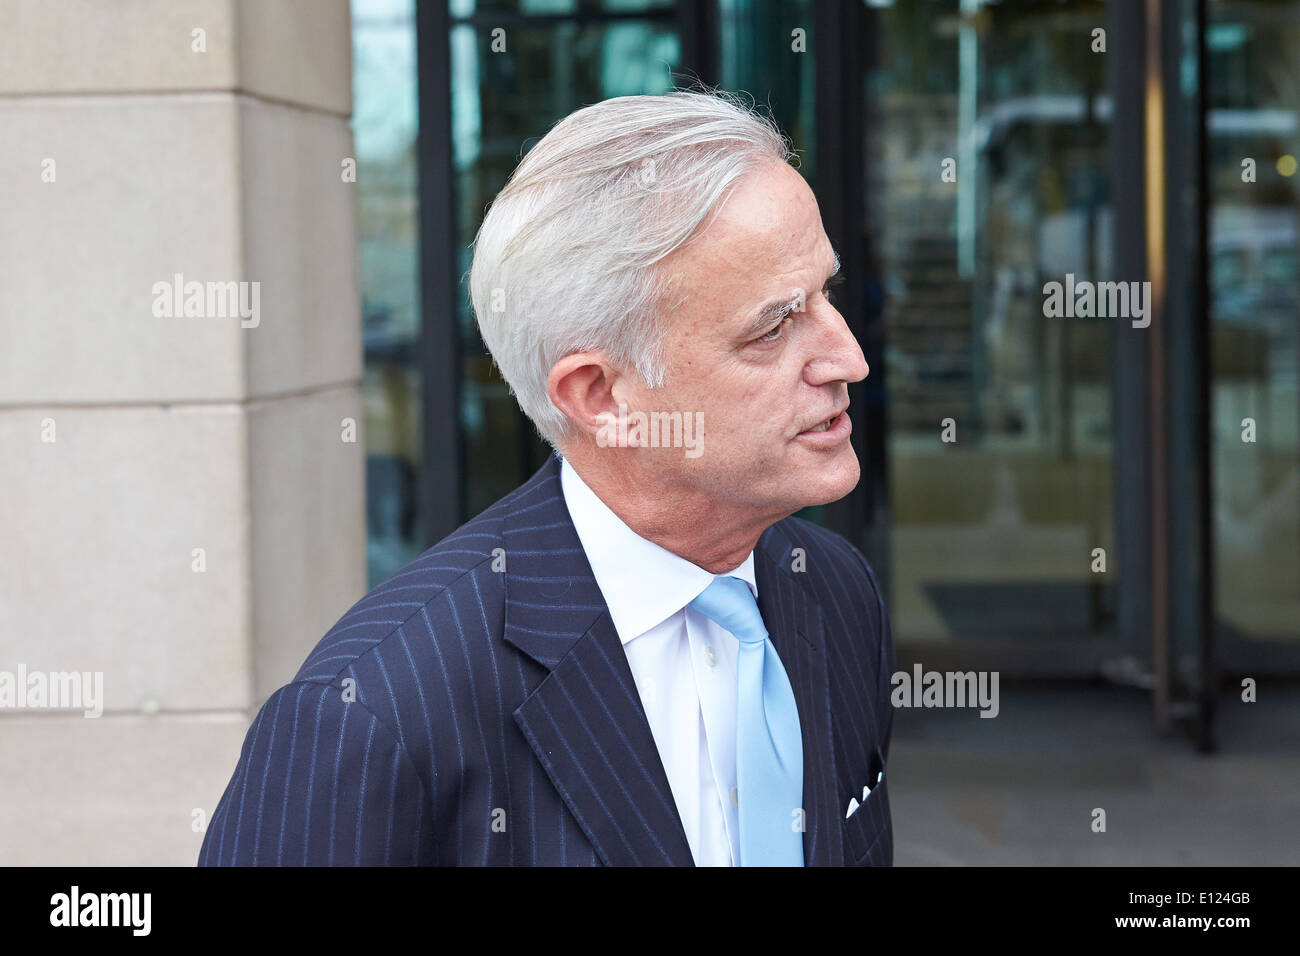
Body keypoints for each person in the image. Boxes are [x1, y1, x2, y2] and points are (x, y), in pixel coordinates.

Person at [199, 88, 895, 867]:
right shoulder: (374, 712)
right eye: (773, 326)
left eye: (825, 294)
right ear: (599, 397)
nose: (849, 359)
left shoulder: (835, 592)